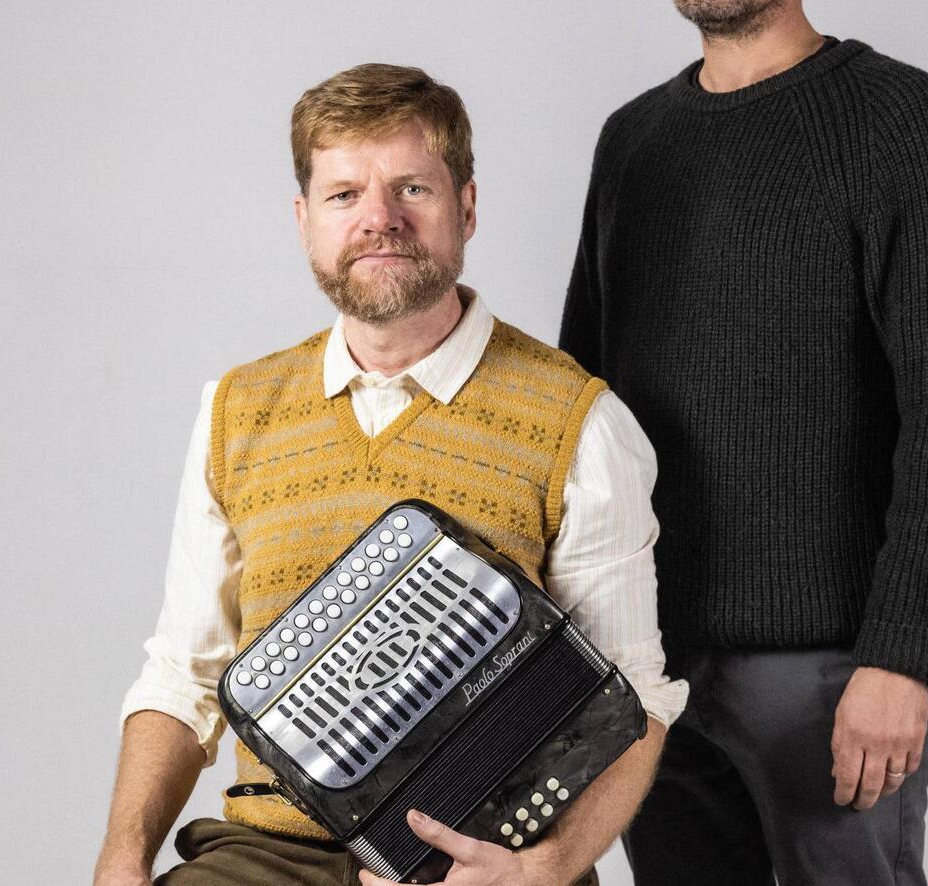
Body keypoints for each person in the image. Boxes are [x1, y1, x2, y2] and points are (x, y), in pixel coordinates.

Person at [559, 0, 928, 886]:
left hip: (826, 667)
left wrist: (904, 653)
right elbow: (576, 408)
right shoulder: (634, 144)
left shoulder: (898, 121)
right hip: (644, 663)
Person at [96, 64, 684, 886]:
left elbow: (634, 699)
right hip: (270, 855)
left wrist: (542, 871)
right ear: (304, 221)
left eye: (411, 188)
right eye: (344, 197)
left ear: (467, 209)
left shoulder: (578, 420)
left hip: (482, 856)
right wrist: (120, 862)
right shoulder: (237, 410)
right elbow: (183, 675)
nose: (380, 220)